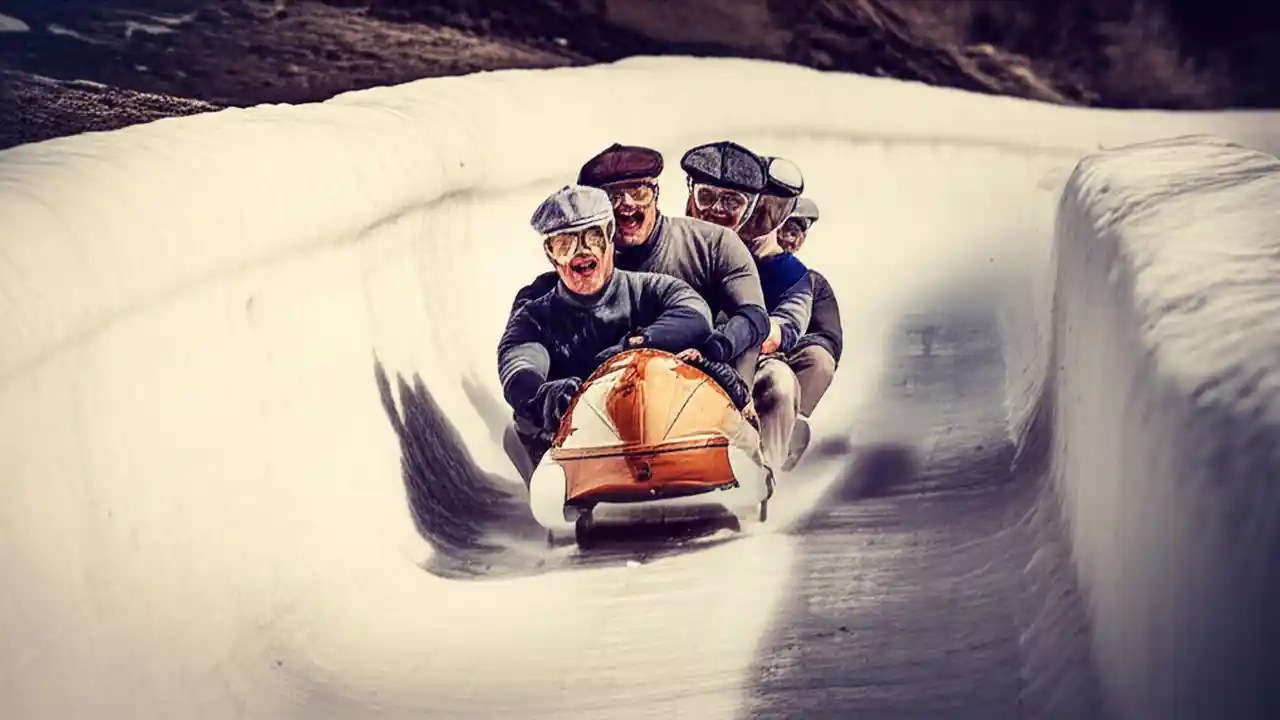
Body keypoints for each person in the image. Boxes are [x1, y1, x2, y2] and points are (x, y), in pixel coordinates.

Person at [508, 143, 769, 406]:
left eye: (637, 191)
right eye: (612, 197)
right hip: (609, 413)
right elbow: (521, 353)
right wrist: (542, 395)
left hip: (710, 394)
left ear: (656, 193)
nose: (626, 205)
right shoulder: (547, 293)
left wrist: (715, 353)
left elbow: (752, 316)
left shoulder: (713, 244)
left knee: (778, 387)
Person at [497, 184, 715, 480]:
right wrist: (541, 395)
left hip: (663, 433)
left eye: (592, 237)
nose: (582, 251)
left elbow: (695, 316)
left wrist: (634, 345)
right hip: (580, 448)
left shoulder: (652, 288)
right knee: (518, 427)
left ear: (611, 235)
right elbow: (518, 363)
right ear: (551, 255)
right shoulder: (534, 317)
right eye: (565, 244)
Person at [683, 144, 815, 471]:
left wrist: (742, 336)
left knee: (779, 381)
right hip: (672, 359)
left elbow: (785, 325)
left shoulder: (790, 273)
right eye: (709, 197)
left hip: (743, 363)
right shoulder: (678, 243)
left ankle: (764, 471)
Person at [777, 197, 842, 470]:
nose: (788, 238)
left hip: (786, 355)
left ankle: (788, 429)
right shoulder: (732, 267)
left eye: (795, 231)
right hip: (735, 352)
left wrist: (785, 343)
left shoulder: (813, 283)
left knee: (820, 359)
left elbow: (828, 336)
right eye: (782, 229)